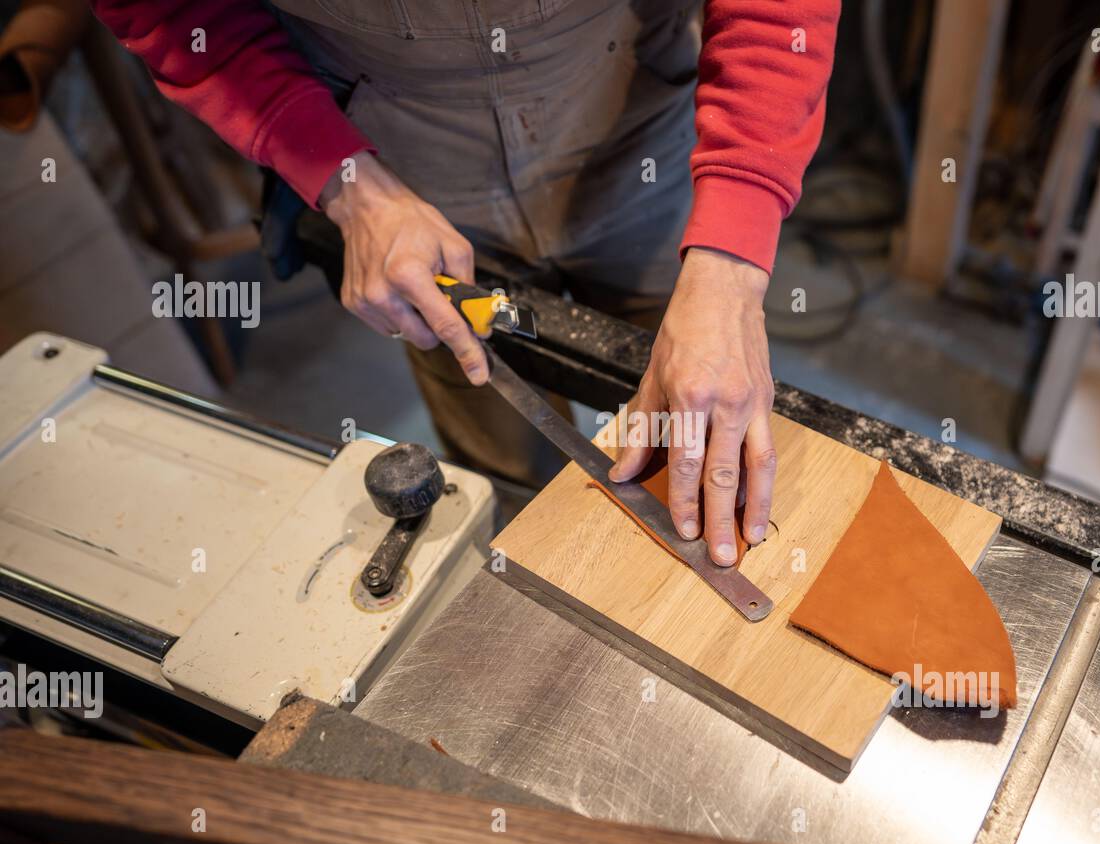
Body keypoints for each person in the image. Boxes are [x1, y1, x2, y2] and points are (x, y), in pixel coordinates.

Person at [90, 0, 839, 568]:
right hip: (416, 196)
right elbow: (167, 12)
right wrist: (345, 180)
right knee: (514, 481)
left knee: (711, 447)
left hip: (647, 160)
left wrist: (729, 263)